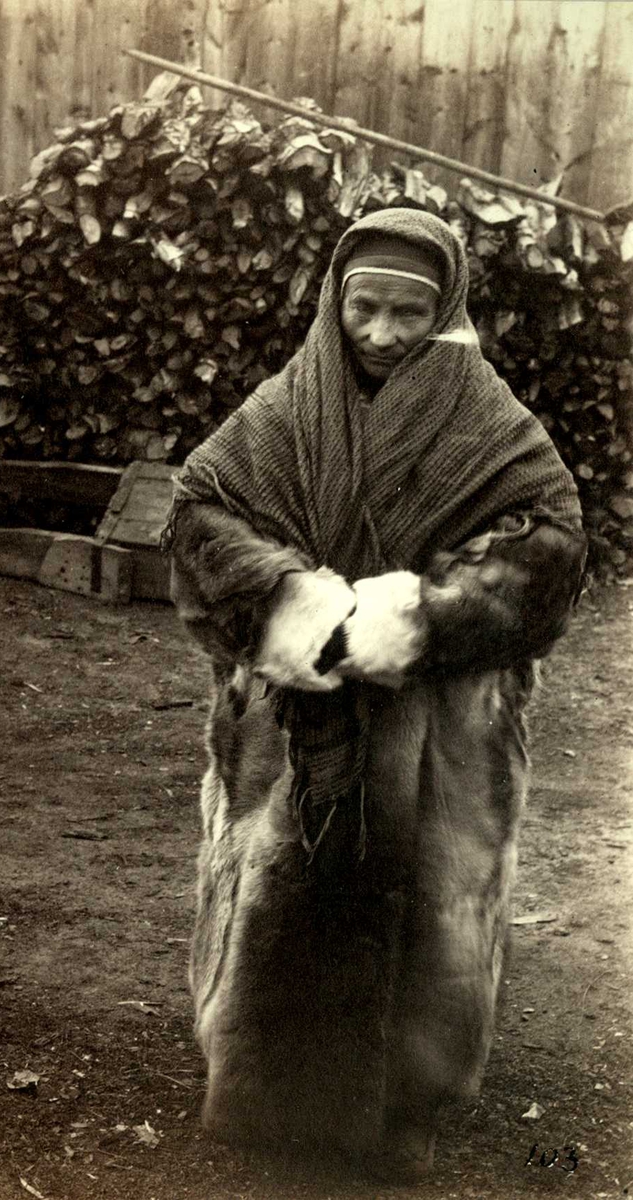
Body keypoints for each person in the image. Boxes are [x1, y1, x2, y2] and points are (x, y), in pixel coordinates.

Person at [162, 208, 586, 1183]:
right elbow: (199, 513)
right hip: (296, 703)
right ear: (332, 303)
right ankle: (262, 1092)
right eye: (365, 307)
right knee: (283, 884)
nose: (385, 331)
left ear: (444, 311)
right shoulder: (283, 409)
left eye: (410, 310)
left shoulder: (484, 418)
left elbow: (547, 544)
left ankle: (405, 1106)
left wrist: (416, 619)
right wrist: (294, 603)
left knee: (426, 899)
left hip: (438, 716)